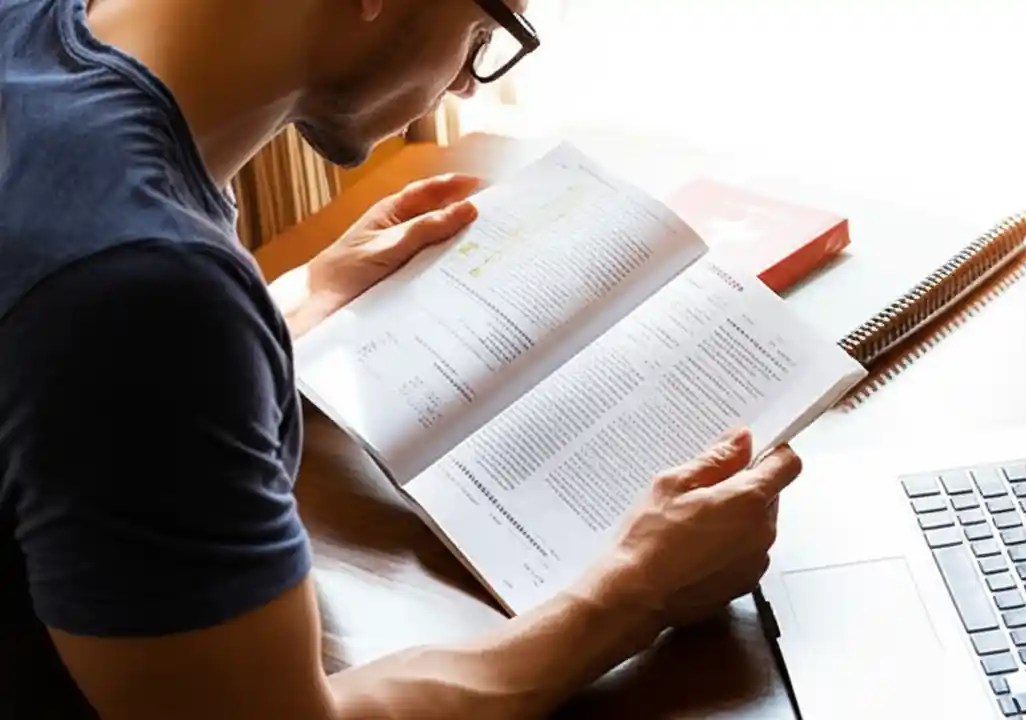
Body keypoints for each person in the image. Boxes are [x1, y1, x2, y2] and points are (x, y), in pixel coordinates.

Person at [0, 1, 802, 717]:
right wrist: (633, 593)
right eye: (486, 31)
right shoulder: (141, 295)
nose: (464, 86)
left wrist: (293, 305)